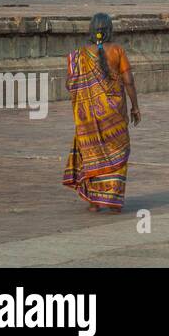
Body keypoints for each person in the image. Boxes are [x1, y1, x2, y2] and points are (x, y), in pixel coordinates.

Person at [63, 13, 140, 212]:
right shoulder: (117, 50)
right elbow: (129, 81)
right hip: (114, 116)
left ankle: (94, 203)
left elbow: (70, 84)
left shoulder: (78, 55)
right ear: (110, 30)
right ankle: (113, 200)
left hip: (88, 117)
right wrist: (135, 106)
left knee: (92, 154)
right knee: (118, 154)